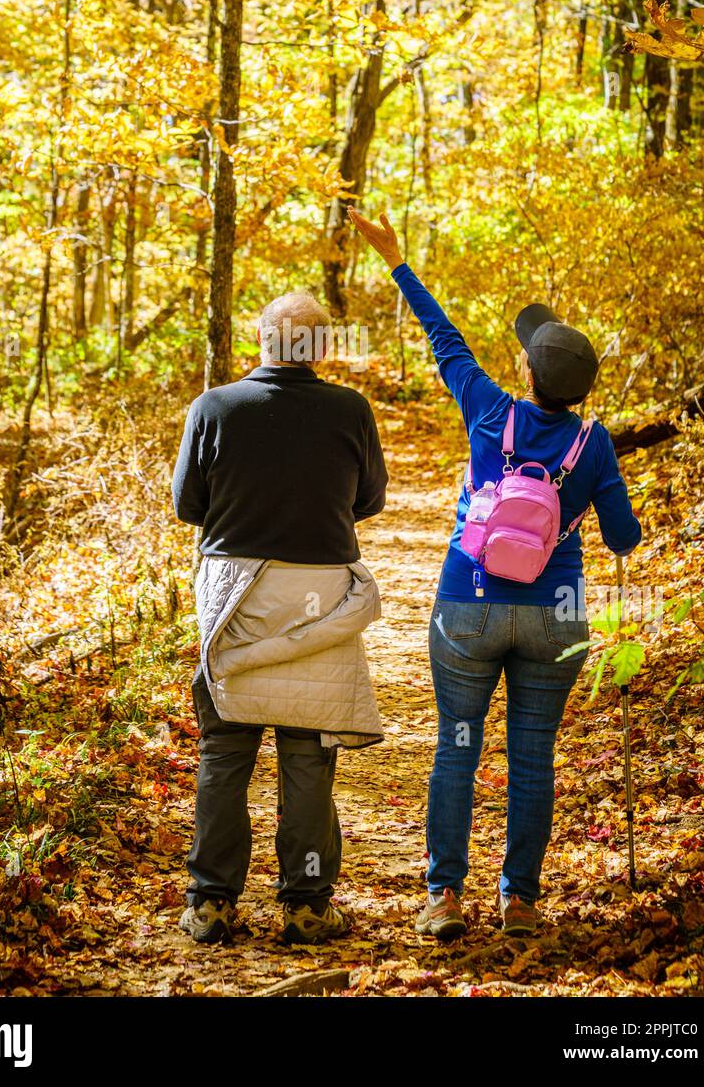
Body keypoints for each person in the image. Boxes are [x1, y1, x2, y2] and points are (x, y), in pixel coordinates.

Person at [348, 208, 641, 941]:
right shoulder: (594, 442)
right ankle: (520, 901)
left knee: (456, 744)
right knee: (532, 757)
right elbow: (624, 539)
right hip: (554, 615)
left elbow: (442, 339)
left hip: (467, 606)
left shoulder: (487, 409)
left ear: (527, 373)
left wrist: (395, 260)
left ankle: (443, 897)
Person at [171, 291, 388, 946]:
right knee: (308, 758)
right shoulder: (350, 410)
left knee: (224, 756)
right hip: (319, 599)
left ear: (260, 342)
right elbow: (368, 500)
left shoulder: (213, 408)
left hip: (233, 599)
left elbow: (188, 506)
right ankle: (306, 905)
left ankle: (211, 903)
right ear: (320, 350)